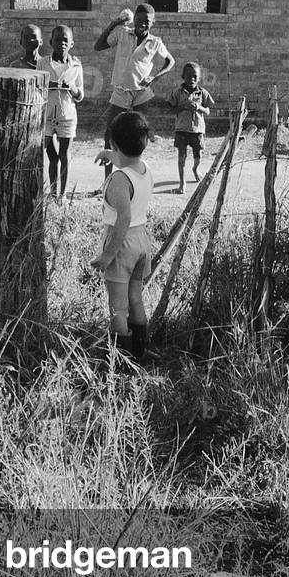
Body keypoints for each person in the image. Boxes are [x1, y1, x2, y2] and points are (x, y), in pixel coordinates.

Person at [90, 110, 153, 362]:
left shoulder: (117, 180)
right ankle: (140, 353)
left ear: (114, 143)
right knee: (135, 298)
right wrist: (110, 155)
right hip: (142, 241)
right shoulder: (143, 168)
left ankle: (121, 363)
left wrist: (107, 255)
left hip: (122, 243)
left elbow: (122, 219)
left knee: (118, 306)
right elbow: (127, 162)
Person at [94, 3, 174, 177]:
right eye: (139, 19)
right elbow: (98, 46)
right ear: (134, 19)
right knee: (110, 133)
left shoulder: (155, 42)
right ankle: (108, 179)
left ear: (153, 23)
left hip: (141, 93)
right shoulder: (122, 33)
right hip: (121, 90)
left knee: (139, 134)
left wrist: (155, 76)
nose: (142, 24)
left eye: (147, 21)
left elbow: (170, 62)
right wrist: (115, 22)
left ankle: (135, 175)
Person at [37, 24, 84, 200]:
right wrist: (46, 86)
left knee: (65, 155)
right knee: (51, 156)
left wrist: (72, 88)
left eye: (66, 40)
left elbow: (80, 95)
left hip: (67, 117)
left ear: (71, 44)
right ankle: (52, 191)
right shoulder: (42, 63)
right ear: (51, 42)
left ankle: (62, 196)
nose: (61, 43)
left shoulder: (76, 66)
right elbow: (35, 86)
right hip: (47, 116)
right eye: (58, 40)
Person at [167, 62, 214, 194]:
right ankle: (182, 183)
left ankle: (195, 168)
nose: (192, 79)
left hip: (197, 130)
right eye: (188, 76)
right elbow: (170, 108)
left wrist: (199, 107)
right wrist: (182, 107)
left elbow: (208, 111)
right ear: (183, 77)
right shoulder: (177, 92)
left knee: (198, 155)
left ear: (199, 78)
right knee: (181, 157)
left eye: (195, 76)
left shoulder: (203, 93)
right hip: (181, 129)